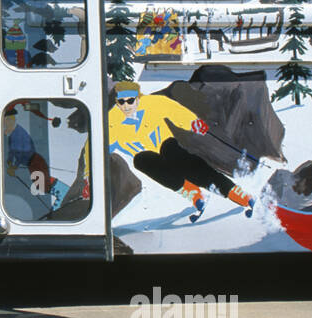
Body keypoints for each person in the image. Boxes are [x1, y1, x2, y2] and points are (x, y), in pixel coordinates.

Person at [107, 82, 254, 221]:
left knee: (177, 156)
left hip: (165, 145)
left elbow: (175, 111)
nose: (126, 106)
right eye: (121, 102)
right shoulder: (111, 121)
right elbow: (101, 146)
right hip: (147, 157)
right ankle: (193, 193)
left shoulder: (152, 103)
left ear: (138, 98)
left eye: (130, 101)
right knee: (140, 160)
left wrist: (193, 123)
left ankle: (235, 193)